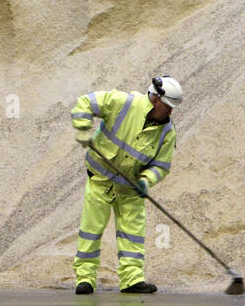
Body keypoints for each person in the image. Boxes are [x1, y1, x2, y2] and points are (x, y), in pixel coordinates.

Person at [70, 76, 181, 294]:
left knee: (133, 236)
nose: (170, 112)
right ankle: (85, 279)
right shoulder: (123, 102)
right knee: (90, 231)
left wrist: (146, 180)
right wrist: (83, 129)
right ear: (156, 98)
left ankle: (132, 280)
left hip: (131, 190)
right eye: (168, 106)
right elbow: (85, 102)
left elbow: (161, 165)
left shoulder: (167, 132)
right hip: (100, 181)